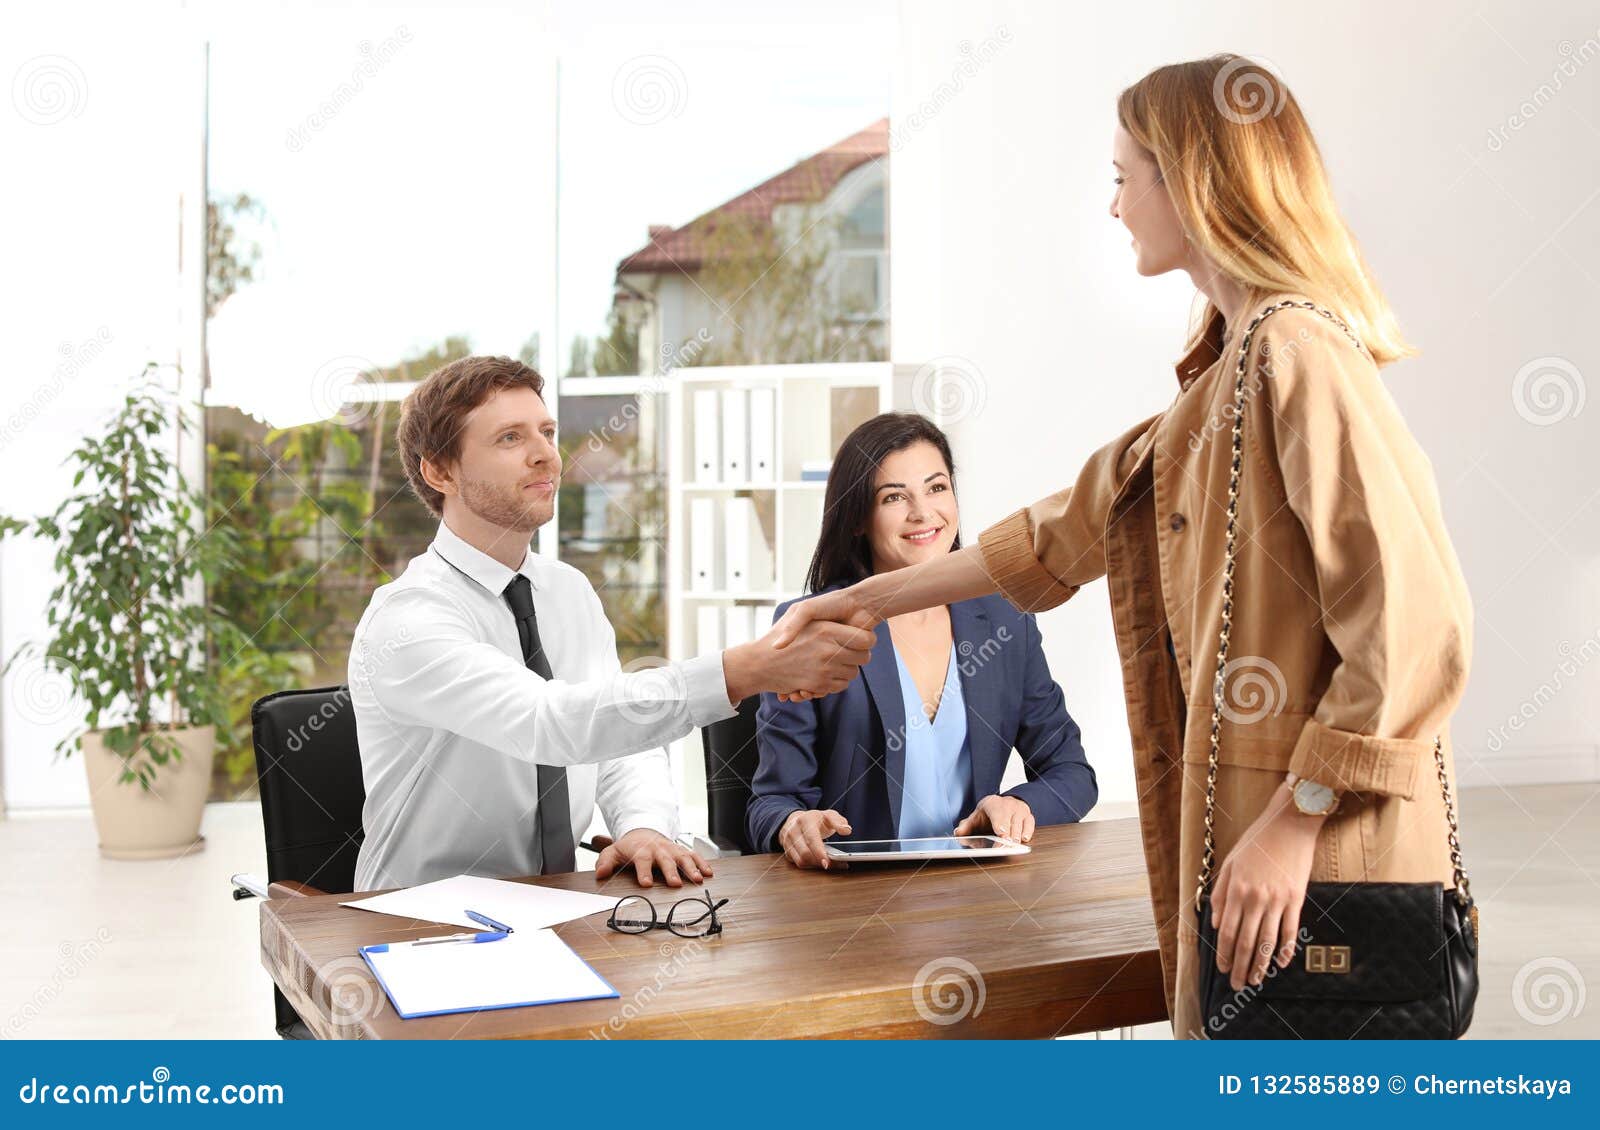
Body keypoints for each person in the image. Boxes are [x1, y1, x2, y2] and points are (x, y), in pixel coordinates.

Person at [770, 55, 1473, 1038]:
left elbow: (1417, 626)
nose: (1113, 207)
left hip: (1320, 880)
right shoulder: (1222, 378)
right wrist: (862, 602)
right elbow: (1065, 529)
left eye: (1120, 176)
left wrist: (1293, 817)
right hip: (1258, 874)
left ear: (1187, 178)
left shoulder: (1298, 353)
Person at [349, 355, 876, 891]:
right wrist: (744, 670)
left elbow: (621, 737)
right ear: (439, 471)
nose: (544, 456)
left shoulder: (567, 593)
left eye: (547, 432)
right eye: (510, 438)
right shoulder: (409, 619)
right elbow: (548, 723)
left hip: (558, 907)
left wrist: (643, 826)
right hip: (419, 919)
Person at [747, 413, 1097, 868]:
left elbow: (1071, 772)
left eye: (937, 488)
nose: (923, 513)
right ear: (857, 519)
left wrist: (1020, 806)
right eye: (894, 497)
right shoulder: (814, 627)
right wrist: (794, 824)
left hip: (977, 896)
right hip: (855, 901)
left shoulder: (1006, 619)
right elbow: (770, 804)